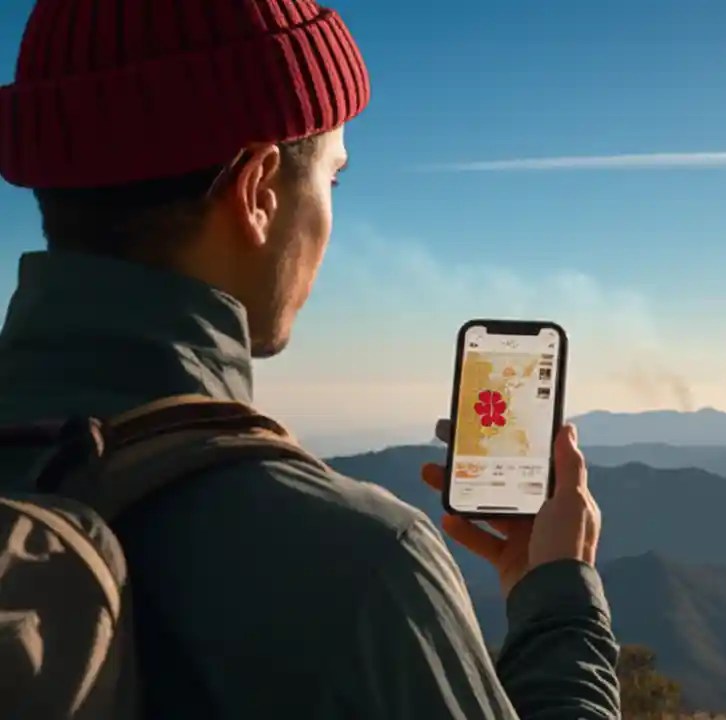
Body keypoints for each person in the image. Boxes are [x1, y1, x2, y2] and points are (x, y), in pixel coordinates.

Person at [0, 1, 621, 718]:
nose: (330, 216)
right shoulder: (361, 570)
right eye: (333, 177)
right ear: (260, 190)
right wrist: (558, 599)